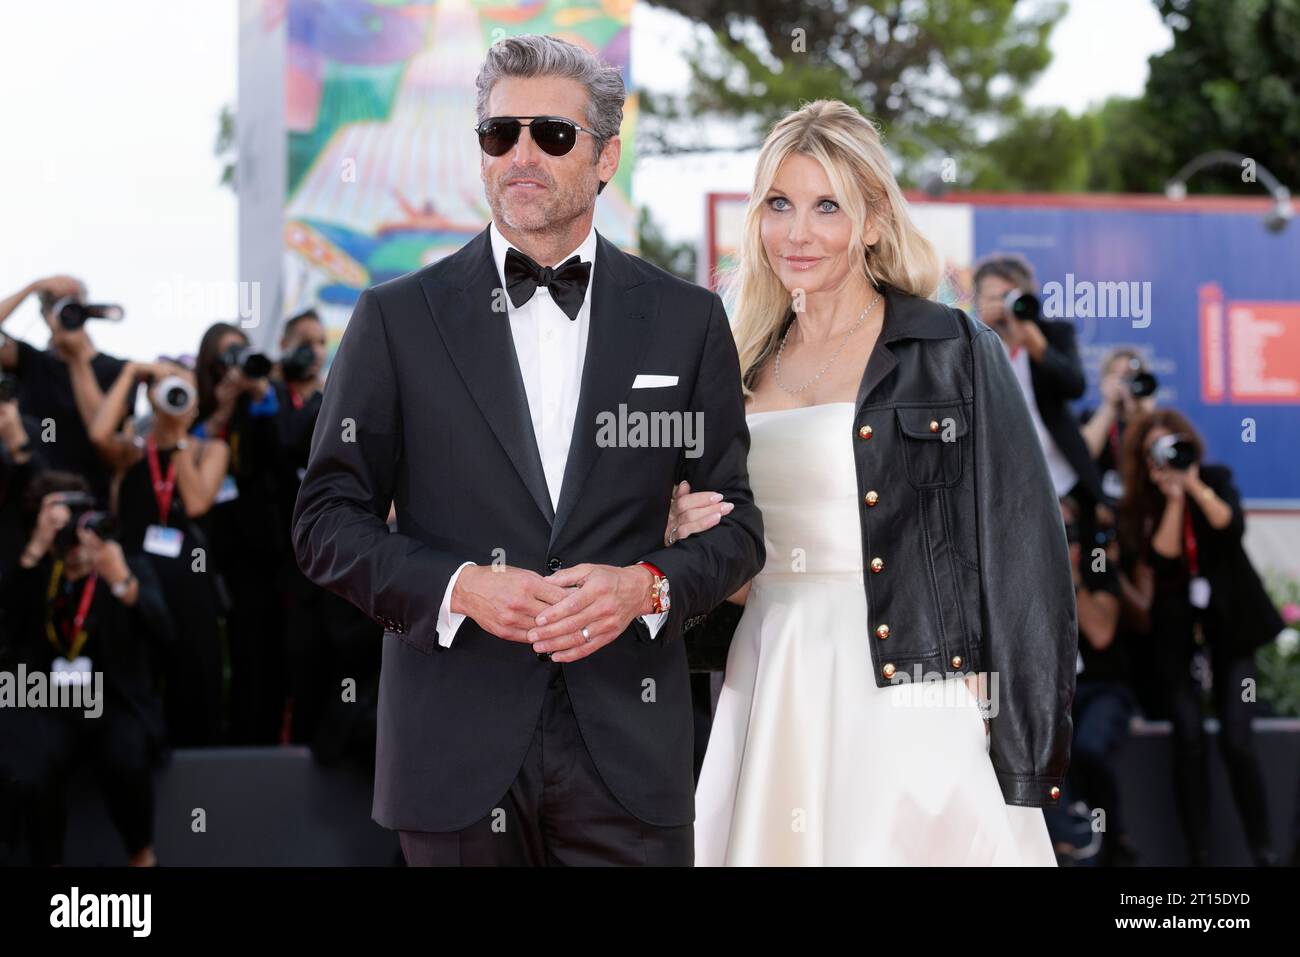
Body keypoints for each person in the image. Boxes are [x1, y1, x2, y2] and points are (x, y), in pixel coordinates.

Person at [292, 34, 764, 866]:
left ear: (606, 156)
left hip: (629, 745)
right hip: (452, 746)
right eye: (497, 133)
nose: (519, 154)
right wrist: (460, 587)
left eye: (551, 134)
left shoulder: (688, 320)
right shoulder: (397, 319)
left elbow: (738, 531)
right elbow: (326, 521)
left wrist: (645, 586)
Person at [668, 99, 1075, 865]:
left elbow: (1027, 556)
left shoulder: (951, 349)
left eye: (828, 206)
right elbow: (738, 562)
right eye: (779, 204)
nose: (798, 232)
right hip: (772, 669)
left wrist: (1027, 753)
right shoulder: (737, 360)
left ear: (876, 221)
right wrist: (689, 537)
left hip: (910, 682)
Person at [1118, 408, 1282, 866]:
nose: (1171, 455)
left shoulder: (1214, 477)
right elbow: (1164, 559)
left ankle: (1263, 850)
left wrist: (1190, 483)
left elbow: (1229, 526)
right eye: (1159, 450)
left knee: (1237, 739)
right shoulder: (1139, 503)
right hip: (1176, 639)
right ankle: (1199, 854)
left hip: (1231, 631)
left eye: (1175, 444)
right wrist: (1171, 497)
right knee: (1187, 736)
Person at [0, 471, 173, 866]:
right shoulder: (35, 573)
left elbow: (165, 635)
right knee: (30, 767)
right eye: (58, 513)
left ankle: (142, 856)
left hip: (112, 699)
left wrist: (121, 583)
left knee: (125, 755)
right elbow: (8, 627)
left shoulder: (124, 566)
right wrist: (38, 545)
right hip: (47, 703)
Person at [88, 359, 229, 746]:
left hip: (189, 583)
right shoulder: (133, 450)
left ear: (197, 403)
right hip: (136, 580)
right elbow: (99, 434)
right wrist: (132, 373)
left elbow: (198, 501)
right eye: (168, 388)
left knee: (194, 674)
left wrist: (176, 436)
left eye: (184, 390)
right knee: (137, 667)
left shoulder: (210, 449)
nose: (176, 395)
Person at [274, 309, 382, 764]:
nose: (314, 352)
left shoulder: (338, 407)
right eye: (305, 342)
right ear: (283, 346)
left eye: (322, 343)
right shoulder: (269, 399)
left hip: (338, 570)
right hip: (279, 574)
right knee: (293, 679)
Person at [193, 322, 288, 744]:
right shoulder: (198, 401)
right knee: (232, 643)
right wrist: (224, 406)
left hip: (269, 545)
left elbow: (283, 455)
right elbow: (190, 450)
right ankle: (230, 733)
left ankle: (265, 735)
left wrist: (259, 395)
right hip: (218, 545)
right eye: (229, 354)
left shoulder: (266, 402)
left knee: (269, 647)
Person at [973, 254, 1107, 512]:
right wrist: (982, 332)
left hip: (1063, 477)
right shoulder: (968, 345)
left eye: (1009, 296)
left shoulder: (1053, 333)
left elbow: (1075, 386)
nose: (1002, 304)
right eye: (993, 297)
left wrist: (1035, 343)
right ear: (977, 301)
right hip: (999, 482)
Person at [0, 276, 127, 503]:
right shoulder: (32, 361)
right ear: (45, 314)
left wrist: (77, 356)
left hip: (90, 496)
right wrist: (33, 287)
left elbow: (101, 433)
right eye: (56, 305)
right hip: (31, 492)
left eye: (72, 304)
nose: (66, 312)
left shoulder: (116, 370)